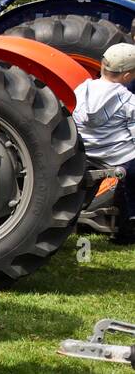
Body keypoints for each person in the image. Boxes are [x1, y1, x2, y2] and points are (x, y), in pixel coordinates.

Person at [73, 43, 135, 243]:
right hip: (115, 155)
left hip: (84, 150)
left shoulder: (83, 88)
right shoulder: (128, 101)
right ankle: (128, 226)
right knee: (132, 174)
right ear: (127, 76)